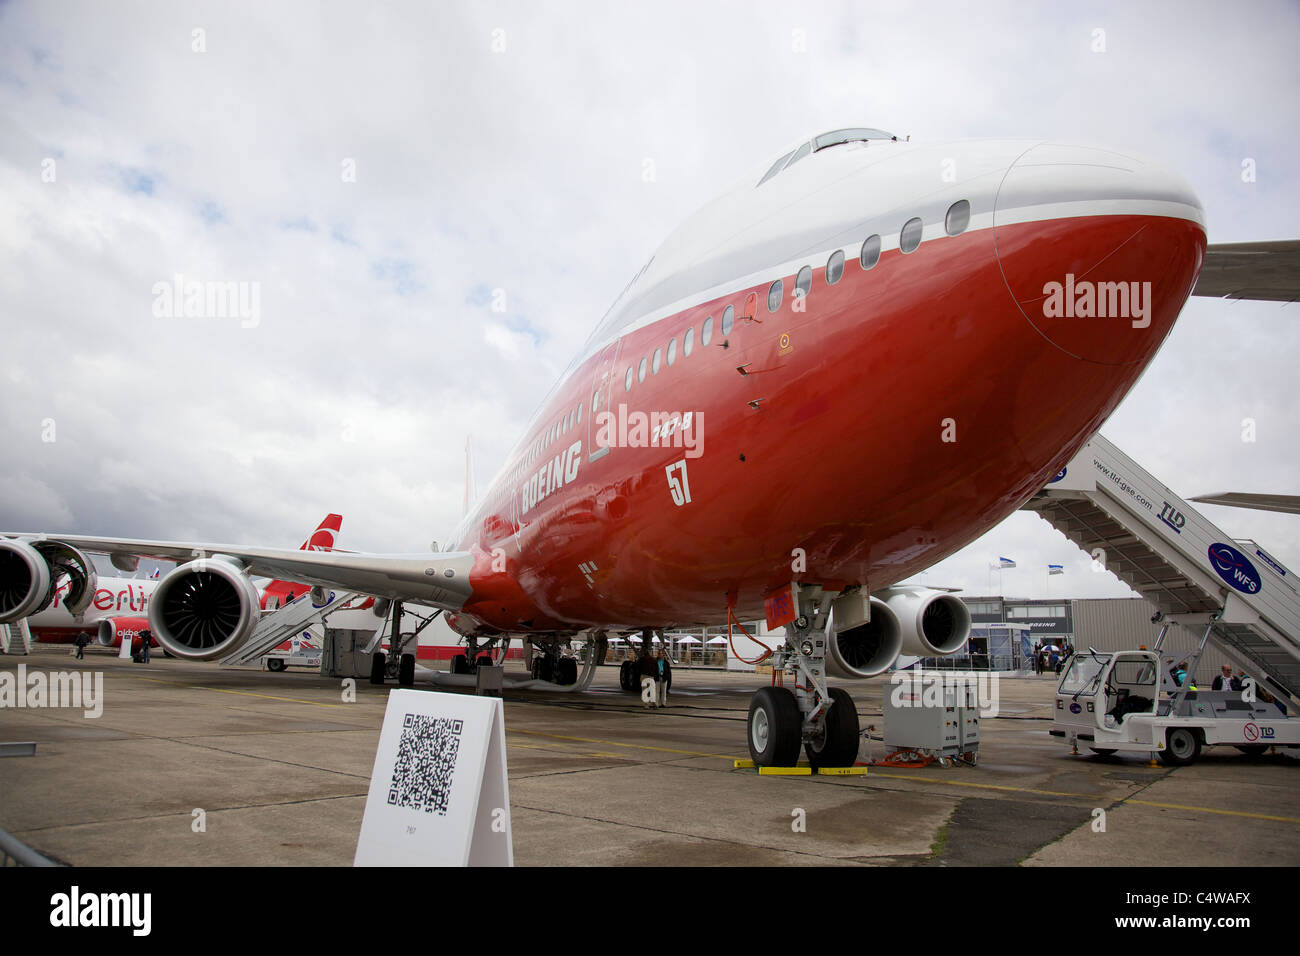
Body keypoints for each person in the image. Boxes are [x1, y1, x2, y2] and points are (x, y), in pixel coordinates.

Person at [639, 641, 658, 708]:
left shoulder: (642, 659)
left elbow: (638, 667)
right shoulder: (653, 660)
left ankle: (646, 705)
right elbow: (656, 668)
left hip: (644, 676)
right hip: (651, 676)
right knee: (652, 690)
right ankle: (654, 703)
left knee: (644, 691)